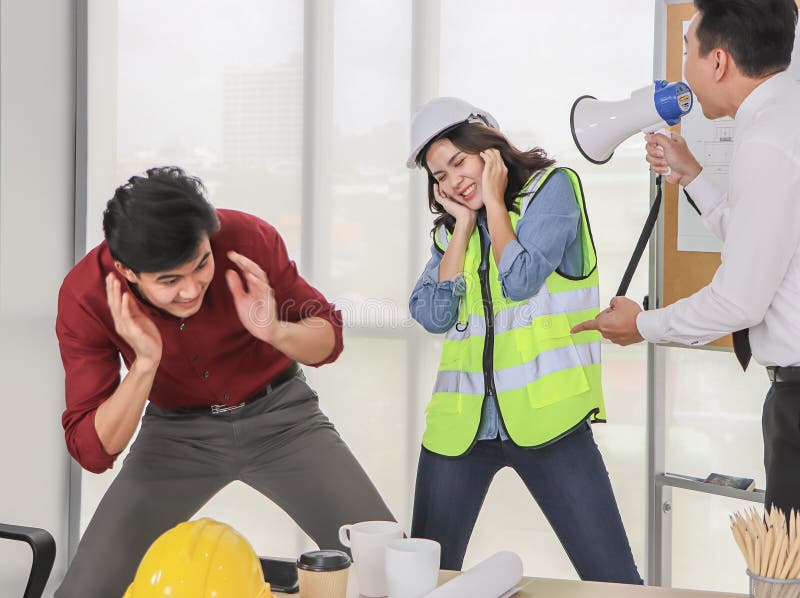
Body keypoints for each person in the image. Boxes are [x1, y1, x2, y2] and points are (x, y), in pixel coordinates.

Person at [55, 167, 394, 597]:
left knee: (389, 567)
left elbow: (328, 339)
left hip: (284, 420)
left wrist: (274, 330)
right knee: (85, 591)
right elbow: (93, 451)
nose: (192, 289)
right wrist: (144, 364)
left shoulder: (247, 240)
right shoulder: (84, 296)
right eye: (169, 281)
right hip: (175, 437)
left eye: (201, 265)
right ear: (127, 271)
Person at [572, 0, 800, 517]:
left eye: (685, 51)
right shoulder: (785, 119)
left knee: (789, 573)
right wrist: (694, 176)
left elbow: (739, 299)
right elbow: (765, 246)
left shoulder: (766, 140)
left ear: (717, 62)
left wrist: (642, 325)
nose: (683, 71)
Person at [406, 97, 642, 582]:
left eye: (458, 162)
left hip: (548, 422)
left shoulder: (553, 190)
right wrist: (463, 227)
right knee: (421, 582)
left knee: (614, 581)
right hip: (460, 430)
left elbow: (521, 278)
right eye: (439, 175)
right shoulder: (455, 232)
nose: (452, 181)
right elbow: (432, 314)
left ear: (488, 150)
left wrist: (493, 203)